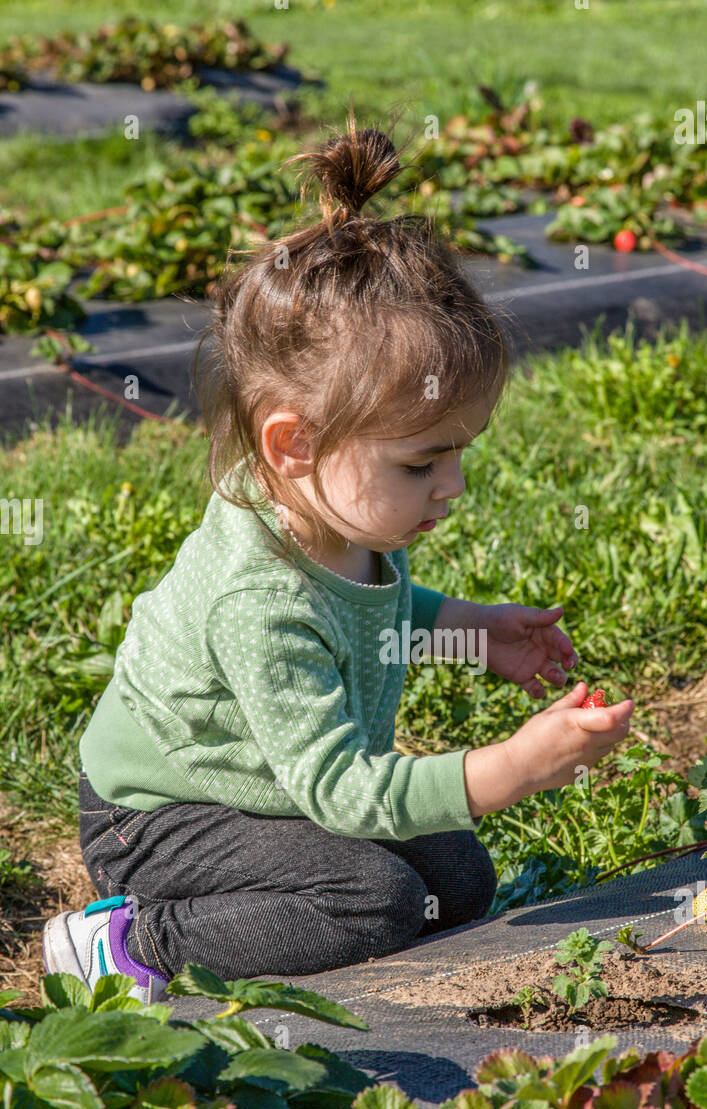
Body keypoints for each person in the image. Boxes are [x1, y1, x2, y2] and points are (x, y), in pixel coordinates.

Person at [43, 114, 634, 1003]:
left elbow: (376, 612)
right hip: (158, 818)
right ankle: (133, 942)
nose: (454, 486)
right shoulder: (256, 595)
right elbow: (344, 793)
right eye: (423, 460)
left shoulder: (335, 509)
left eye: (459, 452)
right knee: (373, 901)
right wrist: (513, 767)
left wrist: (476, 632)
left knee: (460, 882)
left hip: (259, 793)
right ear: (294, 444)